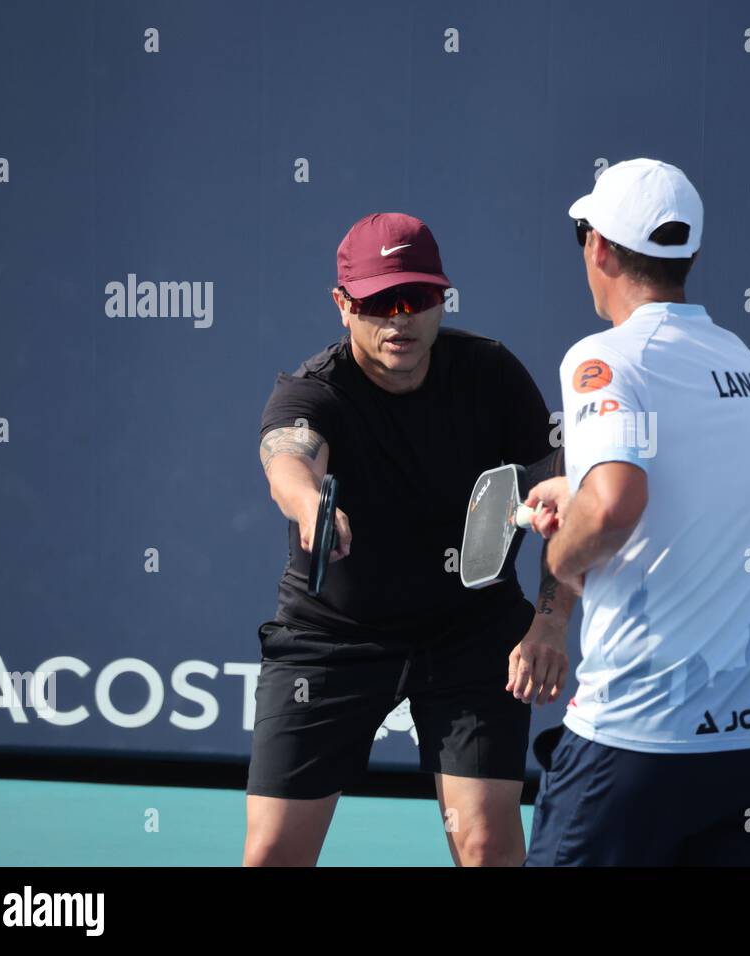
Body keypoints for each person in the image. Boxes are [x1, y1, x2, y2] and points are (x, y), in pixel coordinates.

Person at [244, 212, 574, 866]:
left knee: (486, 845)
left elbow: (569, 507)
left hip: (470, 635)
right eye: (377, 302)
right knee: (274, 852)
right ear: (343, 305)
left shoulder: (494, 375)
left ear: (440, 301)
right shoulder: (315, 389)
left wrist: (549, 624)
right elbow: (287, 458)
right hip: (332, 638)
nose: (399, 319)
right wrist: (310, 503)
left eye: (417, 299)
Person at [522, 159, 750, 866]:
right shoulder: (746, 365)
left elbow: (618, 505)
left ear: (598, 248)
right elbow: (677, 503)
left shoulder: (606, 358)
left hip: (644, 739)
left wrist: (563, 553)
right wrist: (582, 495)